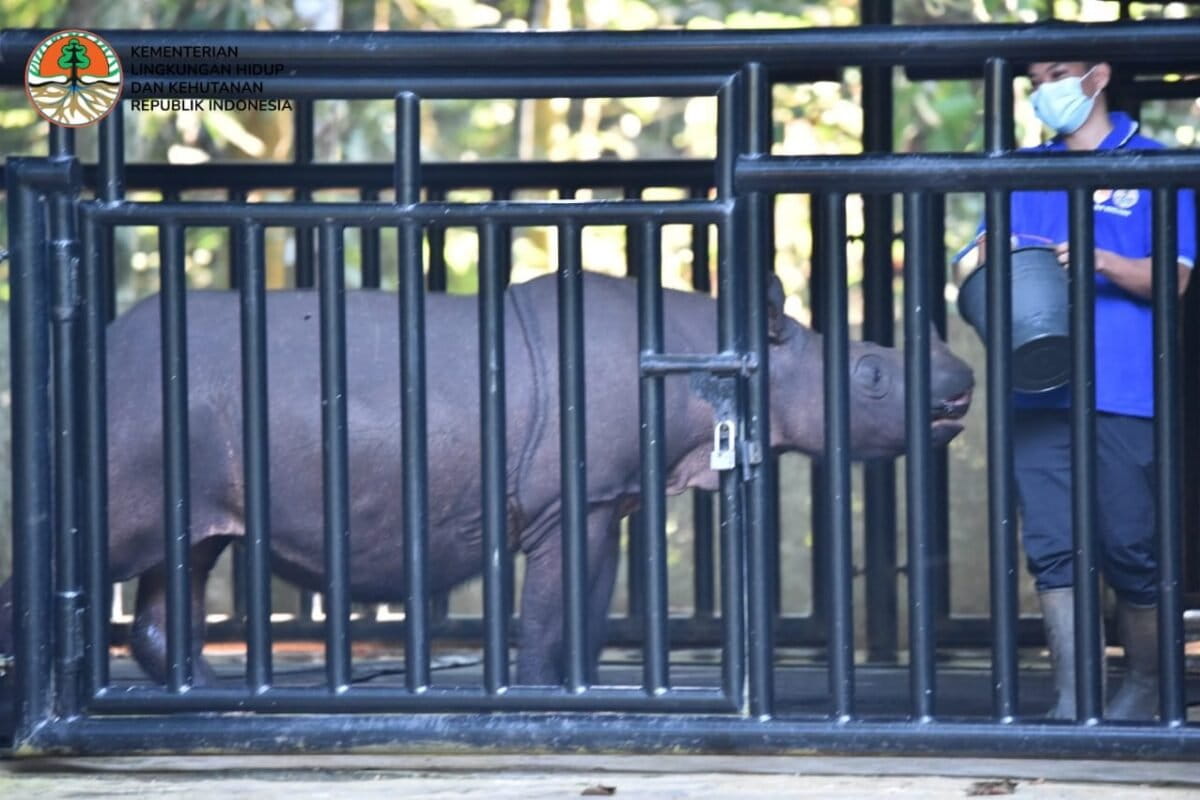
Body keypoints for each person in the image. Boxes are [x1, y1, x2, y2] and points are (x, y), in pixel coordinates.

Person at [959, 60, 1196, 720]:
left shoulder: (1154, 164)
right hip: (1036, 390)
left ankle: (1148, 685)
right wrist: (990, 255)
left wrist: (1099, 258)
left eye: (1058, 72)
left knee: (1130, 541)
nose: (1045, 87)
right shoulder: (1022, 168)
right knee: (1053, 546)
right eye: (1035, 76)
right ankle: (1073, 696)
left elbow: (1174, 279)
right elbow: (973, 261)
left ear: (1097, 76)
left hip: (1125, 386)